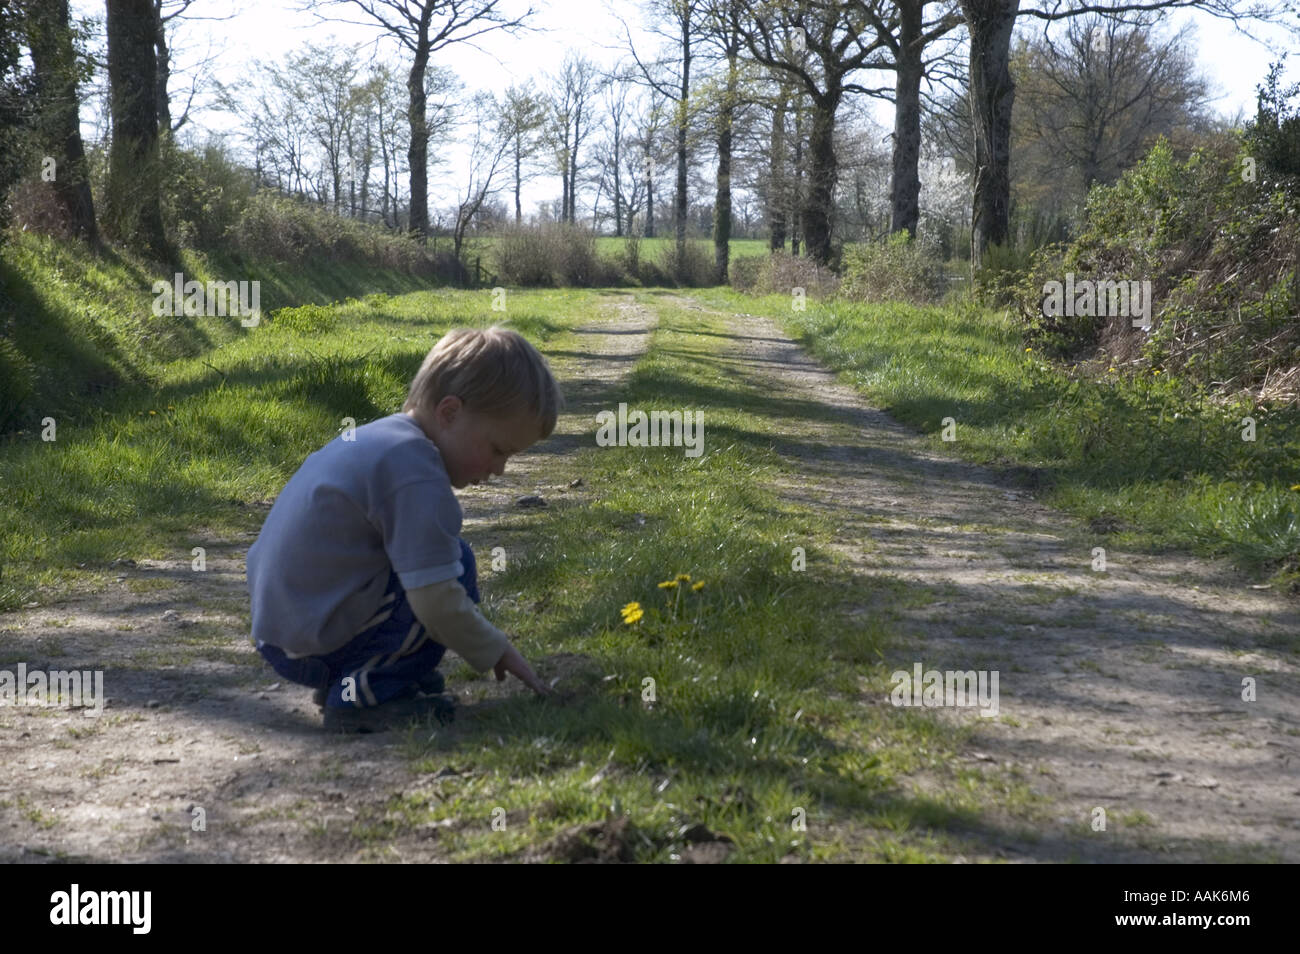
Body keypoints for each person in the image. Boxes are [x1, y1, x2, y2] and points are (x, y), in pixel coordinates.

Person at [246, 326, 560, 731]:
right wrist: (494, 649)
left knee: (447, 557)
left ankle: (361, 678)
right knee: (452, 571)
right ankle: (363, 695)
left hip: (285, 633)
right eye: (498, 450)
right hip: (310, 641)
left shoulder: (383, 438)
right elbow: (435, 600)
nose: (499, 469)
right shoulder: (414, 471)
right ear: (449, 413)